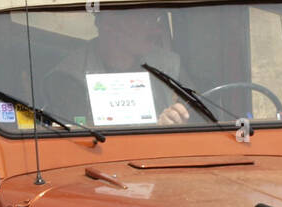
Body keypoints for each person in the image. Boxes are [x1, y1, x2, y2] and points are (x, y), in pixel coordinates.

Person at [41, 8, 192, 128]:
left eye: (156, 20)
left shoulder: (169, 64)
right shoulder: (69, 77)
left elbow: (198, 119)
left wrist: (177, 120)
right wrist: (157, 129)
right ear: (109, 24)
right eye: (146, 21)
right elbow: (80, 142)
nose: (157, 31)